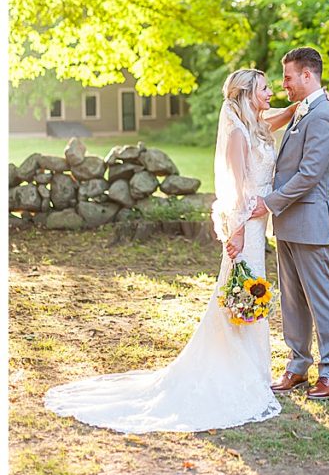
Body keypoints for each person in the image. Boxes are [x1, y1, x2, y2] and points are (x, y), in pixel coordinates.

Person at [44, 69, 298, 433]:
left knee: (247, 291)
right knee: (238, 292)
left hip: (258, 224)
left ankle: (253, 369)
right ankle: (235, 370)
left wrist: (300, 105)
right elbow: (238, 191)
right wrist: (237, 233)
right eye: (265, 88)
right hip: (247, 226)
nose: (272, 92)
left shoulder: (255, 125)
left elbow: (274, 117)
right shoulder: (238, 137)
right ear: (246, 94)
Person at [249, 46, 329, 399]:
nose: (284, 84)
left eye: (288, 77)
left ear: (308, 75)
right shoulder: (303, 111)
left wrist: (268, 203)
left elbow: (308, 175)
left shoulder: (323, 116)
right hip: (290, 222)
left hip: (312, 222)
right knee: (292, 300)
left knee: (322, 301)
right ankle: (297, 365)